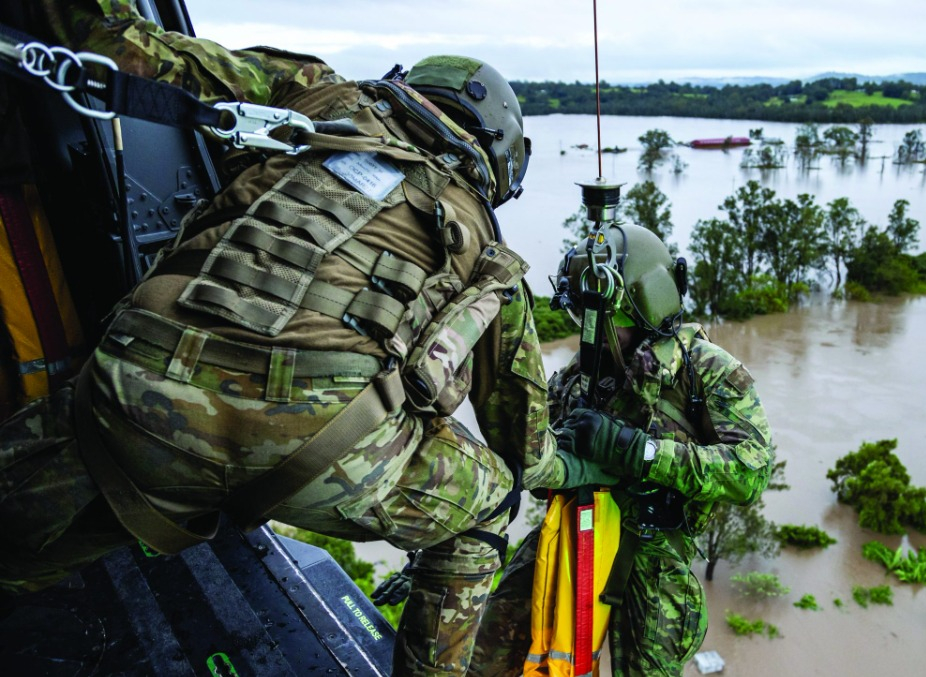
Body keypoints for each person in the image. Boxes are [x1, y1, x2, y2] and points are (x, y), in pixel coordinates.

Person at [0, 2, 559, 674]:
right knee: (487, 503)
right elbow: (525, 449)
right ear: (498, 155)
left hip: (144, 393)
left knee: (25, 538)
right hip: (325, 448)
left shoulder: (319, 96)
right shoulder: (491, 256)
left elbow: (134, 52)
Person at [469, 223, 775, 676]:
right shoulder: (584, 373)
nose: (589, 334)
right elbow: (534, 454)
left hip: (653, 557)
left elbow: (753, 471)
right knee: (491, 652)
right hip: (572, 528)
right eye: (581, 319)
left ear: (641, 305)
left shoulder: (704, 371)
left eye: (600, 320)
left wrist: (640, 452)